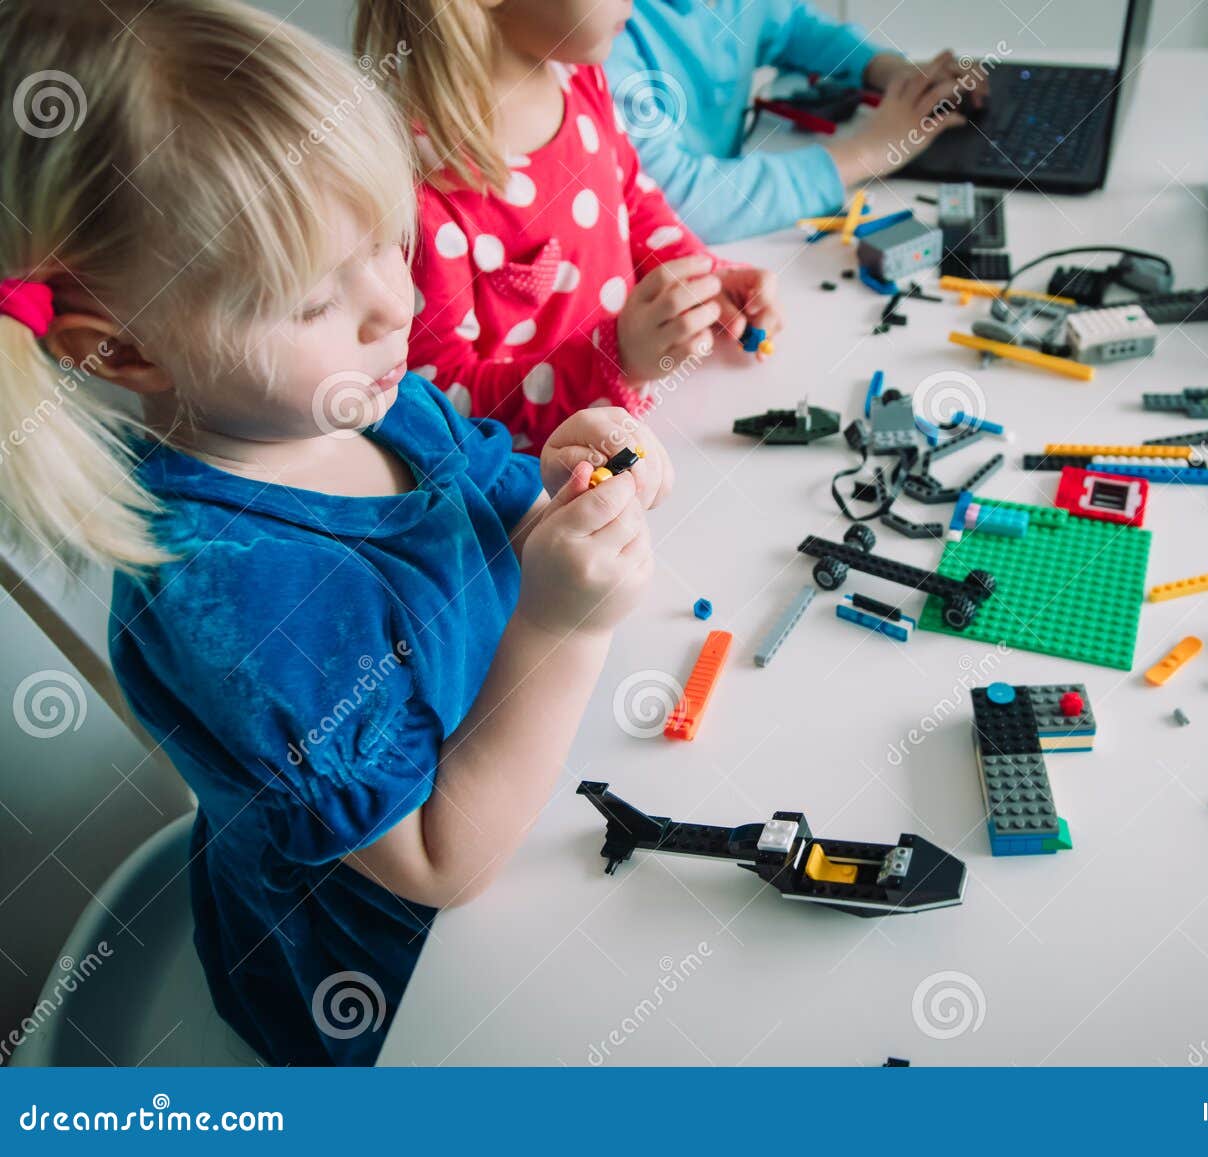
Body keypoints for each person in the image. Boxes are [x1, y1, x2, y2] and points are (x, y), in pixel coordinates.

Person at [0, 0, 667, 1065]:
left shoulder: (369, 397)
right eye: (314, 299)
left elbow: (502, 496)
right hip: (395, 989)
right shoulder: (234, 598)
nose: (389, 304)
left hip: (542, 806)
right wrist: (567, 625)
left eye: (388, 241)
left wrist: (579, 472)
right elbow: (441, 862)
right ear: (121, 353)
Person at [356, 0, 783, 450]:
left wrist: (700, 279)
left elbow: (631, 200)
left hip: (647, 425)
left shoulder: (578, 77)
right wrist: (615, 360)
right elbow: (443, 402)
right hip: (543, 487)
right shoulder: (418, 186)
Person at [605, 0, 986, 241]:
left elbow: (790, 28)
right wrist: (868, 152)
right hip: (661, 262)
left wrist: (889, 71)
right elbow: (678, 203)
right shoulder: (604, 29)